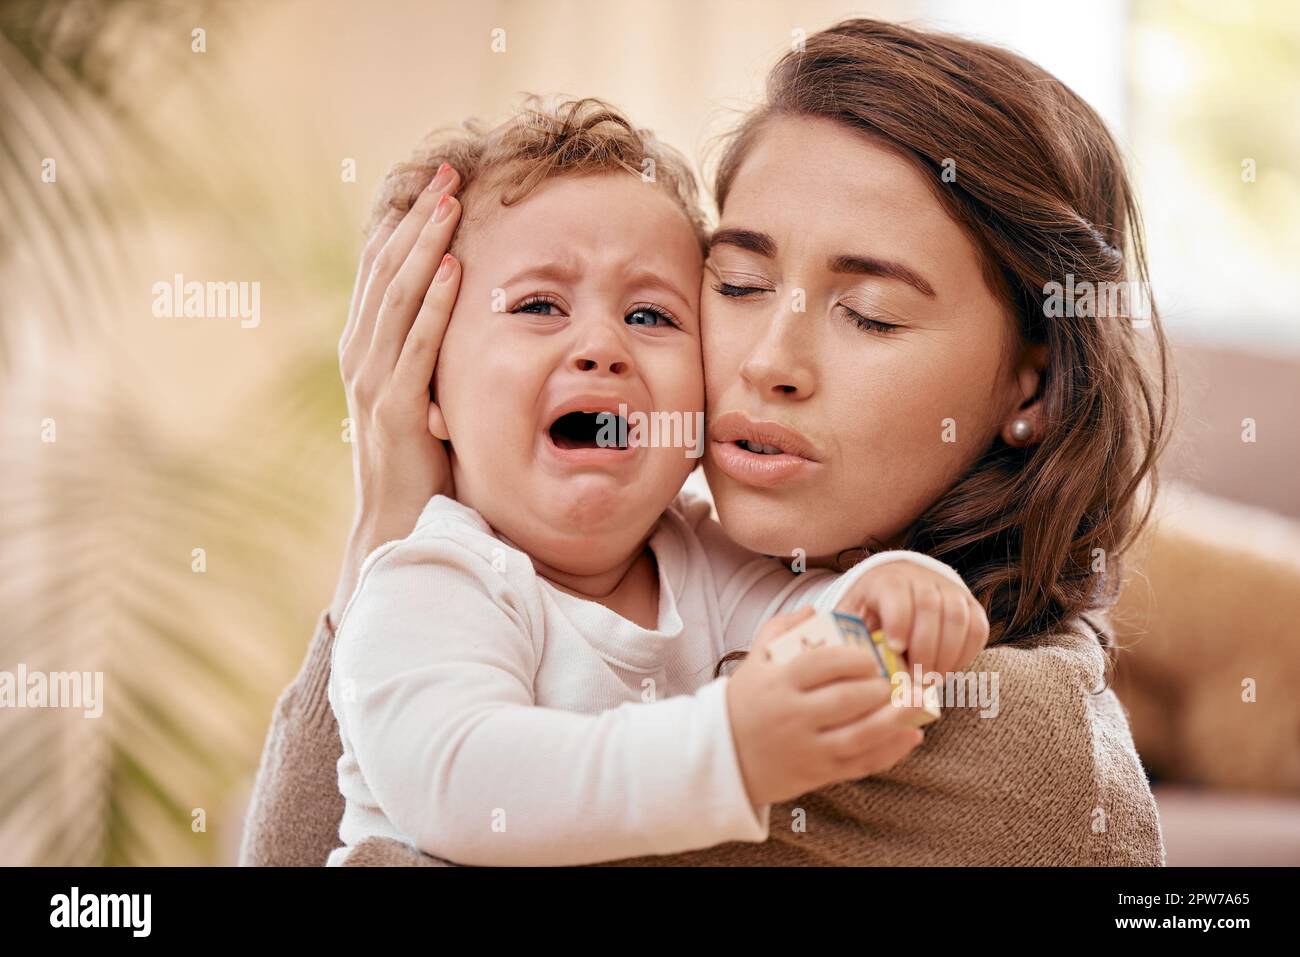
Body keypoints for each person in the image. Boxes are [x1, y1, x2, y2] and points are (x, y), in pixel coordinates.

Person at [241, 18, 1170, 867]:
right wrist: (393, 529)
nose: (771, 362)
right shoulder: (545, 571)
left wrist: (900, 596)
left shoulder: (1015, 752)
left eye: (871, 315)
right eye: (737, 284)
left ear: (1033, 387)